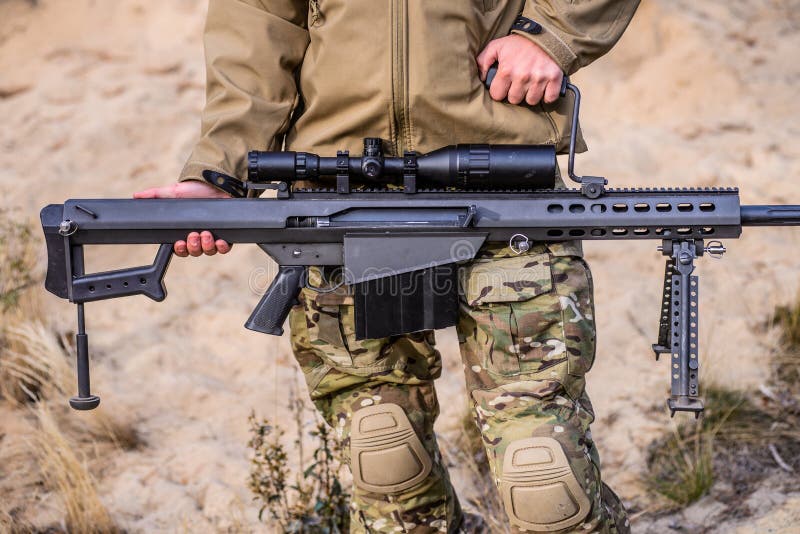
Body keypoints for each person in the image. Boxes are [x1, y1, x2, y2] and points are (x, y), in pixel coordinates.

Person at [135, 1, 640, 532]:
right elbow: (256, 27)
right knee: (385, 457)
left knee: (542, 475)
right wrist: (219, 169)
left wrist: (548, 37)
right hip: (336, 197)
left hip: (507, 190)